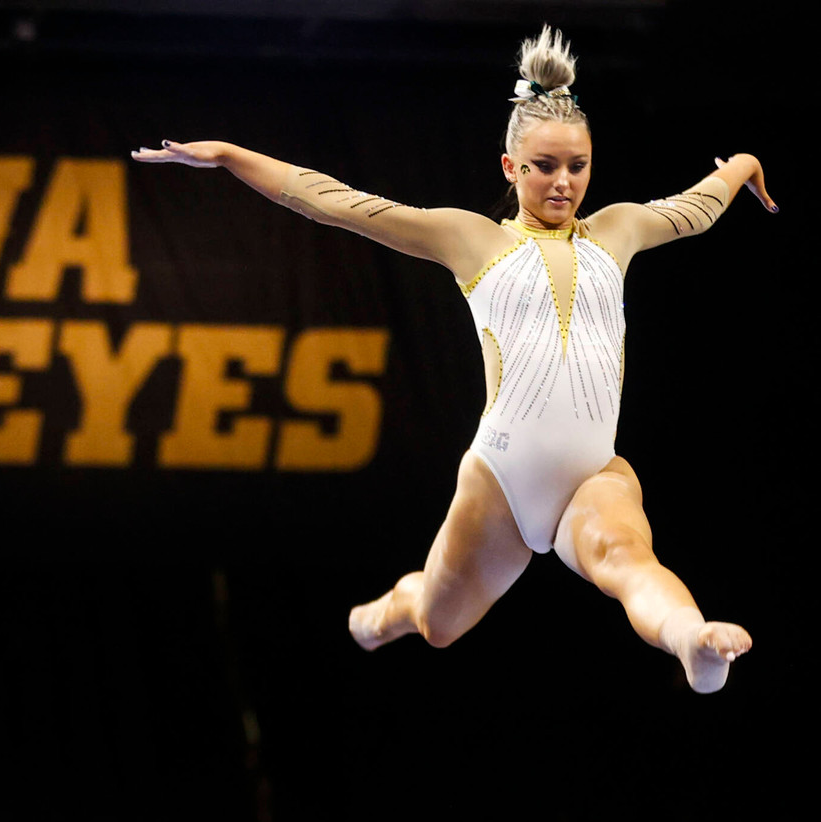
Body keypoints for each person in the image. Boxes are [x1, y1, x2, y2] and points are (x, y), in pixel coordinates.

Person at [131, 26, 776, 694]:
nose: (563, 183)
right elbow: (336, 204)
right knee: (439, 624)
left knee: (626, 556)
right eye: (544, 166)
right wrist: (230, 155)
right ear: (510, 167)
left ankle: (691, 639)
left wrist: (742, 164)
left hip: (595, 472)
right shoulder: (472, 240)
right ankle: (388, 613)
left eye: (577, 166)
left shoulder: (619, 230)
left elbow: (698, 208)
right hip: (502, 475)